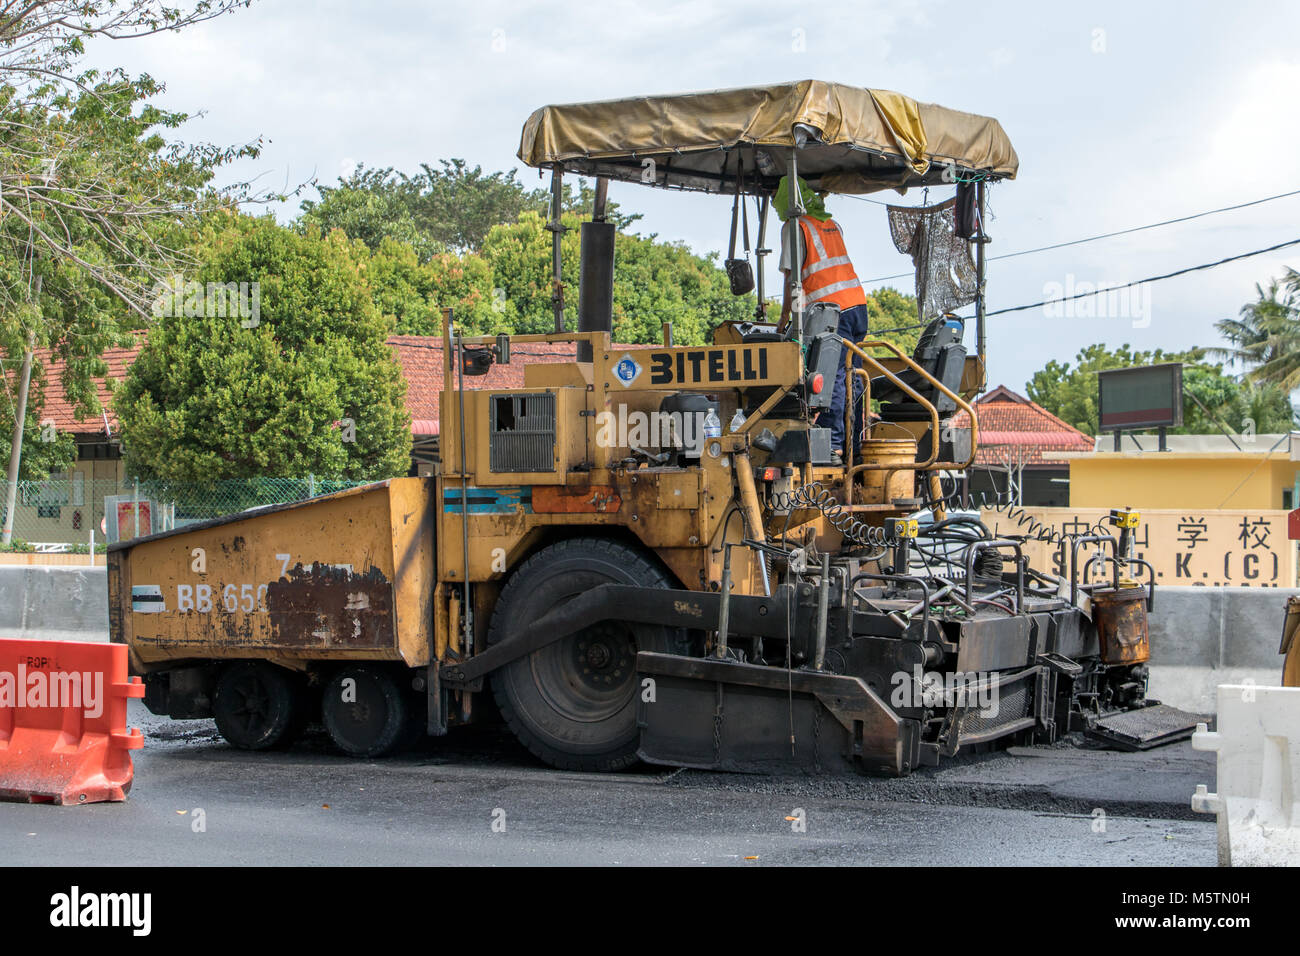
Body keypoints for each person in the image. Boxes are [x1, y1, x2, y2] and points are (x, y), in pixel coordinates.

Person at [774, 176, 870, 461]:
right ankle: (854, 445)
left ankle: (833, 445)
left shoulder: (795, 226)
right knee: (853, 376)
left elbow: (792, 280)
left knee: (830, 378)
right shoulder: (829, 223)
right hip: (857, 306)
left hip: (833, 311)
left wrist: (784, 321)